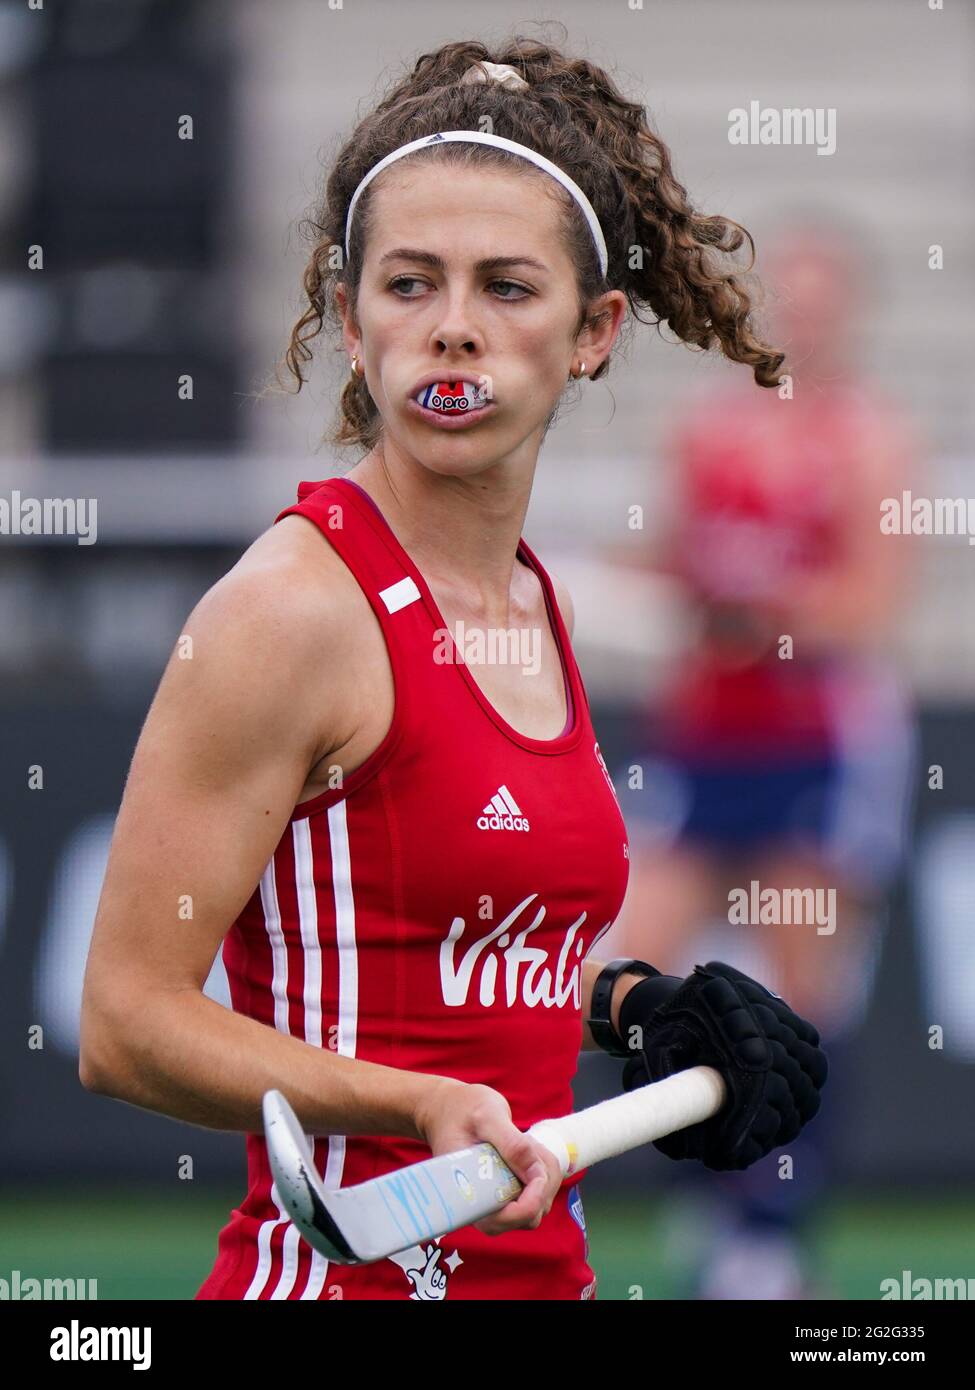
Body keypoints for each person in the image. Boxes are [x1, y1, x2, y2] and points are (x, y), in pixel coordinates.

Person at [80, 39, 825, 1302]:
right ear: (354, 317)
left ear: (592, 334)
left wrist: (635, 1009)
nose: (454, 331)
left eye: (507, 288)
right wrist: (410, 1101)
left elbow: (455, 952)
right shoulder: (288, 611)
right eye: (410, 285)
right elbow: (124, 1021)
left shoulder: (535, 599)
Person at [605, 218, 918, 1297]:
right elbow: (668, 567)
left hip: (811, 744)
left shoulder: (871, 441)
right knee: (640, 964)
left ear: (849, 313)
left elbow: (868, 608)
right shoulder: (709, 430)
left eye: (821, 297)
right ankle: (704, 1193)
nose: (801, 316)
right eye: (787, 294)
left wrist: (754, 610)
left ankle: (772, 1230)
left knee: (798, 993)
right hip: (707, 735)